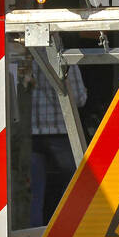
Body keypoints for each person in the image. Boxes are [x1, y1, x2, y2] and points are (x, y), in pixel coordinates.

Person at [29, 61, 87, 225]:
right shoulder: (64, 58)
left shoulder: (24, 56)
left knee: (34, 194)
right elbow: (78, 97)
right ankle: (61, 231)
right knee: (71, 190)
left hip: (32, 134)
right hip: (61, 134)